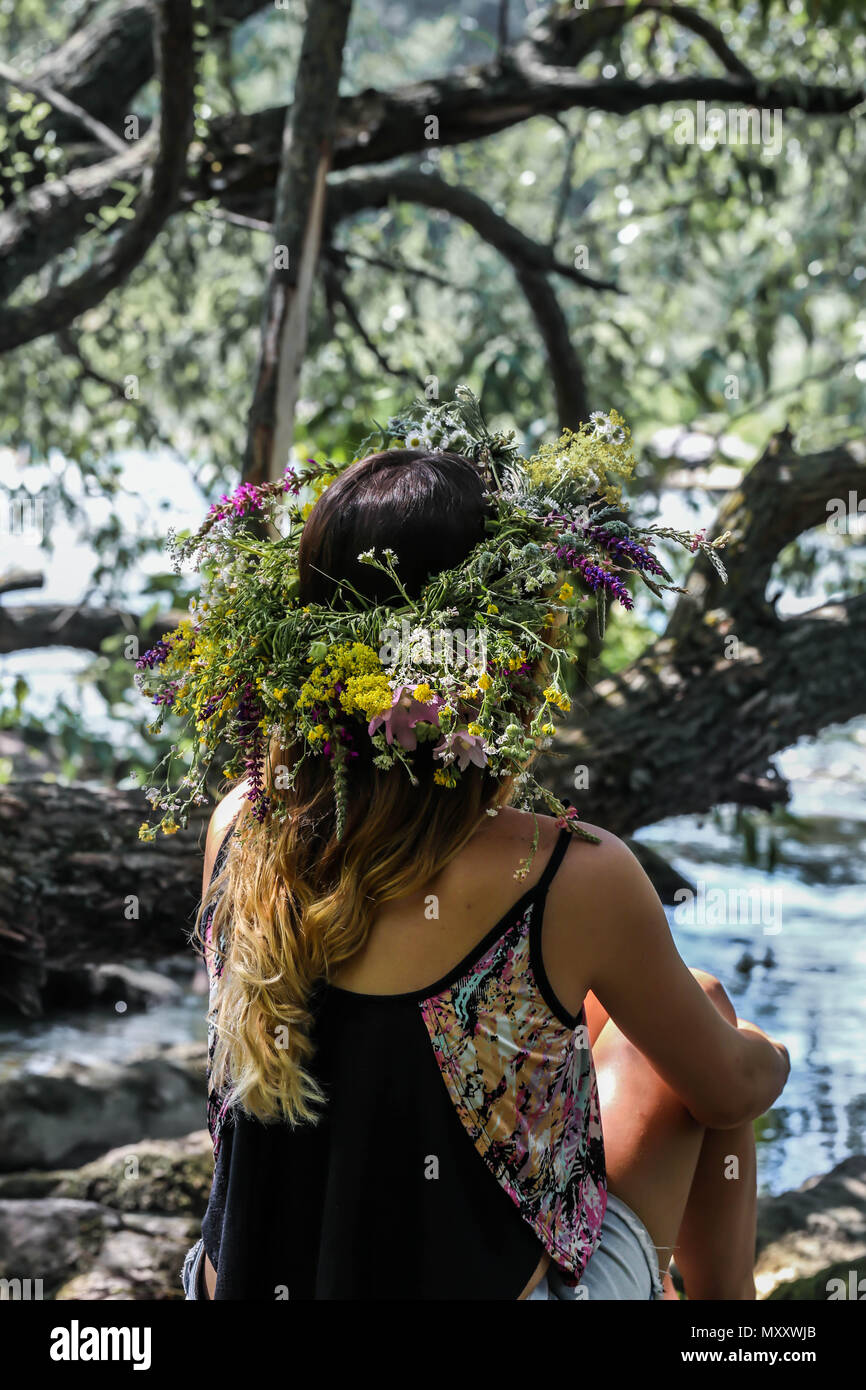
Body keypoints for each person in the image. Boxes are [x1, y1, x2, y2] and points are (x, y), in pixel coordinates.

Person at [168, 437, 789, 1302]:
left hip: (233, 1286)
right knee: (710, 1018)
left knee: (600, 1001)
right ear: (506, 657)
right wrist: (769, 1058)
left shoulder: (240, 830)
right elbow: (726, 1095)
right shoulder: (568, 875)